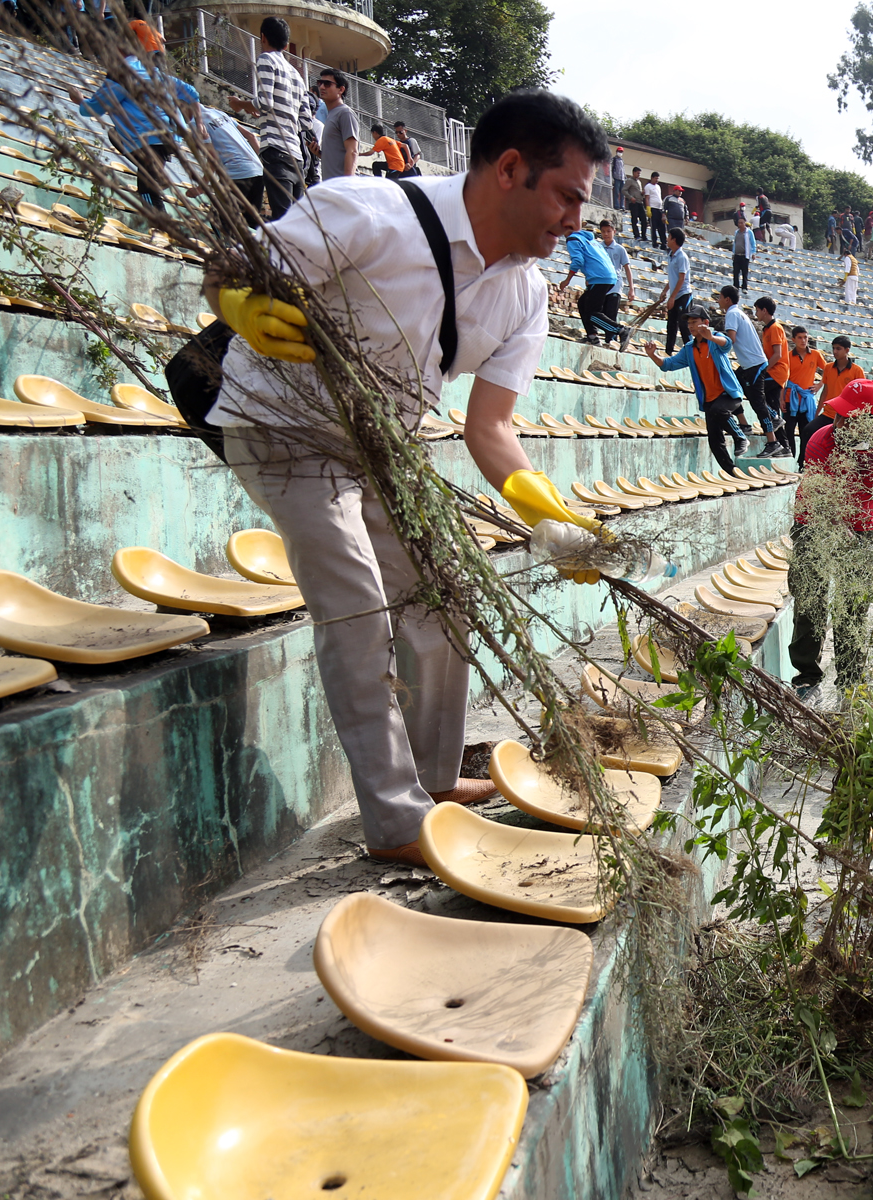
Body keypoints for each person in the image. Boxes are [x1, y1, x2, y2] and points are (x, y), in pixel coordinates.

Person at [204, 90, 606, 867]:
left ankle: (431, 777)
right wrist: (238, 303)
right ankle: (394, 822)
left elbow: (489, 428)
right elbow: (228, 265)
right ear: (512, 169)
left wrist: (548, 515)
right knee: (356, 603)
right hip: (280, 426)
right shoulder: (367, 214)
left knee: (445, 587)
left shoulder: (525, 293)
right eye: (567, 197)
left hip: (380, 443)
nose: (574, 221)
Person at [787, 379, 873, 698]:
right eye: (838, 415)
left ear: (870, 423)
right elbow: (821, 500)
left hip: (863, 530)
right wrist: (838, 531)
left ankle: (849, 679)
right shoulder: (820, 440)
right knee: (810, 595)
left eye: (848, 417)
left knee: (853, 605)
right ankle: (806, 675)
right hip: (815, 522)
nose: (838, 422)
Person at [72, 53, 202, 213]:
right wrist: (199, 123)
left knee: (146, 189)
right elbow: (192, 93)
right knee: (116, 135)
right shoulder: (155, 72)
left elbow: (93, 109)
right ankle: (158, 176)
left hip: (149, 135)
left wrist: (79, 99)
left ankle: (161, 224)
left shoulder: (120, 75)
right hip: (173, 134)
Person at [645, 303, 750, 476]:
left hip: (728, 394)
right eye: (689, 323)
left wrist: (712, 337)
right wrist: (652, 355)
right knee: (715, 441)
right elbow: (668, 365)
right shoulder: (689, 348)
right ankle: (732, 472)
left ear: (706, 322)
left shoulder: (715, 339)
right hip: (709, 399)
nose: (691, 326)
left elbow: (727, 344)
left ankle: (740, 437)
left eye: (695, 322)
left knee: (719, 411)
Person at [714, 285, 779, 457]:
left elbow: (730, 340)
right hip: (749, 364)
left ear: (727, 299)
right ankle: (746, 424)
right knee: (732, 389)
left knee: (757, 403)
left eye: (720, 297)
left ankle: (772, 441)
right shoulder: (738, 313)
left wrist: (712, 338)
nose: (718, 301)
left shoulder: (732, 314)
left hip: (753, 364)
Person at [189, 104, 265, 227]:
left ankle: (228, 246)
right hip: (257, 169)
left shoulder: (197, 125)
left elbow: (213, 158)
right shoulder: (220, 114)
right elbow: (251, 136)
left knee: (218, 218)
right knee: (252, 220)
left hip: (237, 172)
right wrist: (262, 164)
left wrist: (201, 188)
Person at [556, 224, 620, 344]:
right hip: (608, 276)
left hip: (599, 277)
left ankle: (620, 330)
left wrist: (567, 280)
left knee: (592, 313)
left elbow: (578, 261)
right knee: (583, 304)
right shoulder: (591, 239)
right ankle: (592, 336)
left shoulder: (573, 239)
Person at [755, 297, 793, 458]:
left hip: (776, 372)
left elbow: (777, 355)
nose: (755, 313)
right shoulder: (766, 329)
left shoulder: (775, 328)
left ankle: (775, 434)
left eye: (757, 310)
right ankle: (784, 447)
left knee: (755, 394)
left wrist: (763, 370)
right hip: (773, 371)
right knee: (771, 406)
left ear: (764, 311)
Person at [781, 325, 824, 462]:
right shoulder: (787, 356)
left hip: (806, 399)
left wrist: (819, 385)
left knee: (806, 431)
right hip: (790, 397)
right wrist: (781, 399)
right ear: (793, 339)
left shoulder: (816, 355)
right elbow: (783, 378)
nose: (803, 340)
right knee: (788, 429)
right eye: (799, 337)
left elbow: (829, 371)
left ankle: (802, 461)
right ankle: (790, 457)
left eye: (805, 337)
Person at [651, 227, 693, 353]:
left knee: (684, 325)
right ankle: (668, 351)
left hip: (683, 295)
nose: (667, 239)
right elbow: (673, 278)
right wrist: (665, 291)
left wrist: (672, 297)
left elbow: (681, 278)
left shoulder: (682, 257)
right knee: (671, 325)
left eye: (669, 237)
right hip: (675, 294)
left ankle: (692, 351)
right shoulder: (670, 255)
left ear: (674, 240)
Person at [314, 69, 358, 181]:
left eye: (327, 84)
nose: (322, 87)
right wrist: (319, 154)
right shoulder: (331, 115)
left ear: (341, 89)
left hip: (342, 189)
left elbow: (352, 151)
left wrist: (347, 184)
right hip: (331, 187)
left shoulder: (345, 113)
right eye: (320, 83)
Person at [731, 218, 755, 291]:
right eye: (739, 223)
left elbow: (753, 243)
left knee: (744, 272)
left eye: (741, 223)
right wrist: (733, 252)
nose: (740, 224)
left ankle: (744, 287)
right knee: (735, 272)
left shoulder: (749, 232)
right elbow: (735, 243)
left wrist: (753, 253)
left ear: (745, 223)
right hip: (737, 255)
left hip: (745, 255)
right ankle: (736, 287)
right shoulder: (736, 232)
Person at [624, 166, 646, 240]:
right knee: (634, 219)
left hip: (640, 202)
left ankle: (643, 235)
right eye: (638, 173)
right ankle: (636, 235)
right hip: (633, 202)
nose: (639, 175)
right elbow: (624, 190)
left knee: (644, 220)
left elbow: (637, 192)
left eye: (639, 173)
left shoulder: (639, 182)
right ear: (634, 172)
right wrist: (630, 197)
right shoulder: (629, 180)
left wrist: (642, 193)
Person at [645, 172, 665, 248]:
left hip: (659, 208)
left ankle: (663, 242)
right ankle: (654, 242)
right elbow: (647, 198)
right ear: (652, 178)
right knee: (654, 227)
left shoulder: (658, 187)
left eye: (658, 178)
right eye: (656, 178)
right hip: (653, 208)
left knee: (662, 227)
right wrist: (648, 208)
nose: (657, 180)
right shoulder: (648, 186)